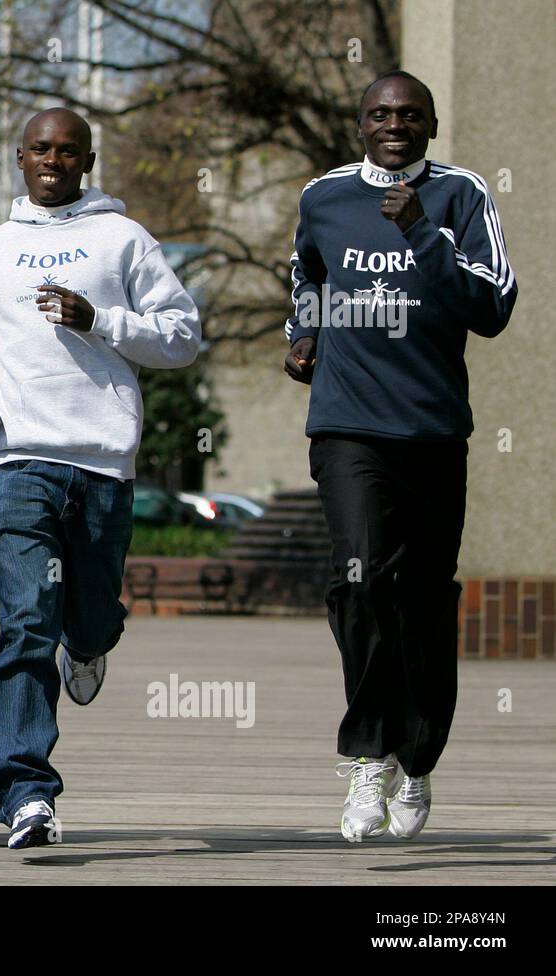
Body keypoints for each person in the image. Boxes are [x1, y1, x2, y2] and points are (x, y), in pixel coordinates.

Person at [0, 108, 200, 849]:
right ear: (20, 157)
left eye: (67, 151)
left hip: (101, 462)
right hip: (21, 461)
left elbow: (182, 336)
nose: (53, 160)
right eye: (40, 150)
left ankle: (90, 643)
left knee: (85, 614)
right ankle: (26, 793)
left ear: (86, 160)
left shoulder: (122, 239)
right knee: (25, 622)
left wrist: (103, 319)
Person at [282, 70, 516, 842]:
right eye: (380, 113)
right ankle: (368, 752)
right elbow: (306, 274)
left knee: (421, 602)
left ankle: (417, 759)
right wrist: (304, 335)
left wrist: (421, 228)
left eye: (409, 114)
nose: (394, 124)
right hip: (347, 426)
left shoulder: (461, 196)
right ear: (361, 124)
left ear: (431, 124)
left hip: (432, 432)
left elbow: (491, 309)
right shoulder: (325, 197)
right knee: (356, 582)